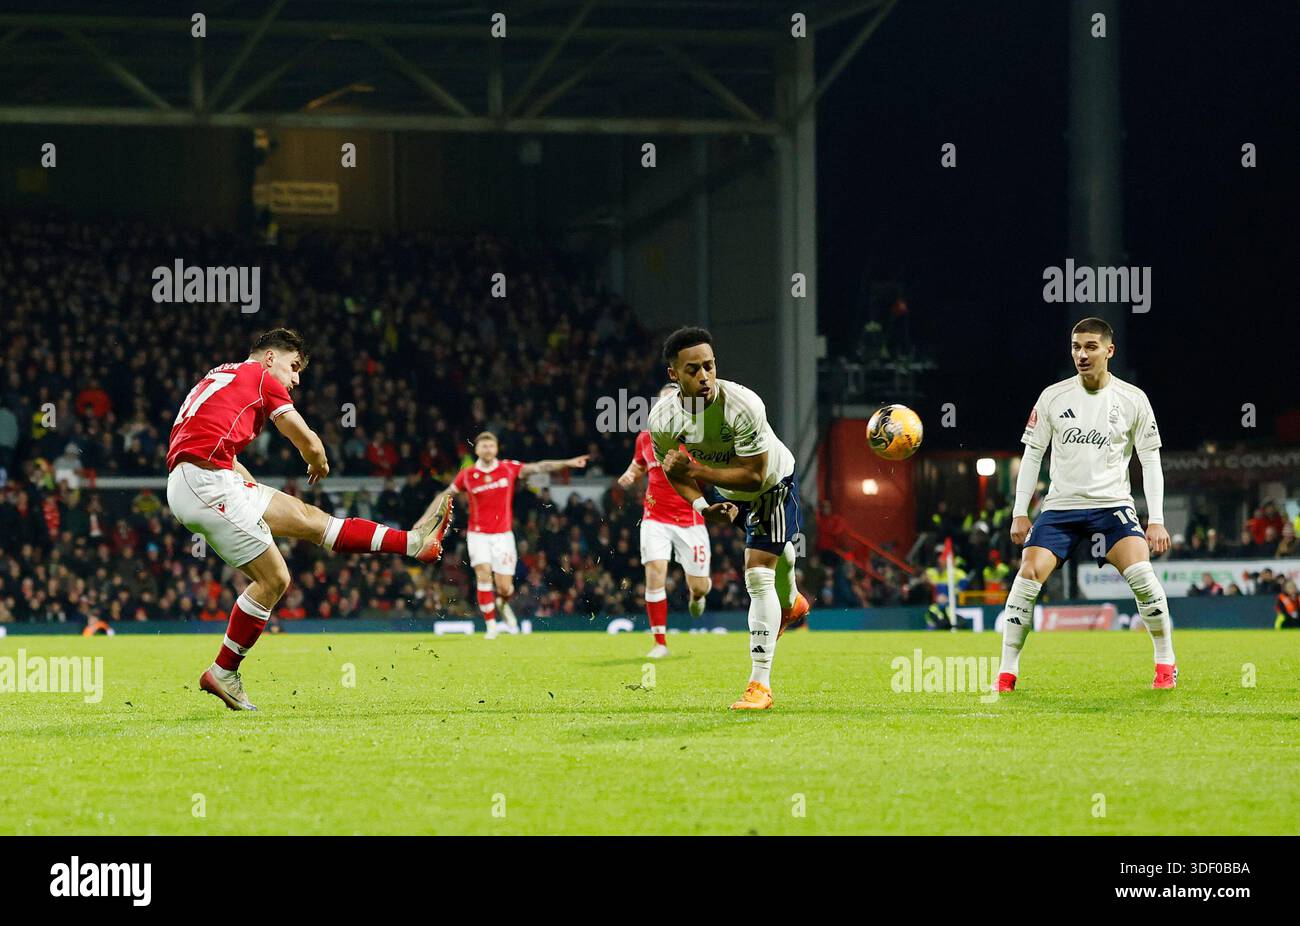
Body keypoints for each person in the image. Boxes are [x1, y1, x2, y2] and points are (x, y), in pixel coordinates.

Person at [166, 328, 453, 711]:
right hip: (204, 481)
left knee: (311, 519)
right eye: (294, 366)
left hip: (208, 477)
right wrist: (317, 458)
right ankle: (223, 671)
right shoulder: (261, 378)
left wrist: (252, 493)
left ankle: (415, 543)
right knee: (275, 579)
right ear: (270, 358)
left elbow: (208, 440)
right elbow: (306, 438)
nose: (296, 378)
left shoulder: (219, 374)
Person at [998, 317, 1177, 691]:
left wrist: (1156, 519)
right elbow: (1033, 455)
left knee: (1143, 577)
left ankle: (1165, 664)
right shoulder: (1053, 396)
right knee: (1027, 576)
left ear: (1109, 351)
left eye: (1091, 347)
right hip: (1060, 507)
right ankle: (1006, 673)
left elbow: (1150, 461)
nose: (1082, 354)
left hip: (1112, 506)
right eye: (1076, 347)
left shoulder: (1133, 400)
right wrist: (1019, 512)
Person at [649, 326, 809, 710]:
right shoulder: (663, 419)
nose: (704, 376)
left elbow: (754, 475)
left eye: (709, 365)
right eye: (693, 370)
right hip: (727, 493)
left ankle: (760, 685)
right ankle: (794, 604)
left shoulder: (743, 404)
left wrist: (698, 472)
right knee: (782, 556)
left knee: (757, 573)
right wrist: (703, 507)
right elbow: (673, 471)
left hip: (771, 486)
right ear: (674, 374)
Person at [419, 432, 588, 640]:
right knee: (482, 574)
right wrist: (424, 521)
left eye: (491, 446)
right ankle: (490, 626)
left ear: (496, 448)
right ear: (477, 449)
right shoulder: (467, 475)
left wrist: (567, 463)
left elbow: (539, 467)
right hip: (478, 534)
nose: (488, 449)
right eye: (484, 446)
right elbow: (444, 496)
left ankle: (502, 602)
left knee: (505, 587)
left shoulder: (507, 468)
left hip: (503, 536)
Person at [618, 385, 712, 657]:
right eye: (664, 400)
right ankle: (660, 643)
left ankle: (697, 597)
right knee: (654, 574)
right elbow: (639, 463)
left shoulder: (697, 435)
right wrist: (629, 475)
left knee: (698, 586)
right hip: (655, 517)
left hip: (690, 518)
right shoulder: (646, 437)